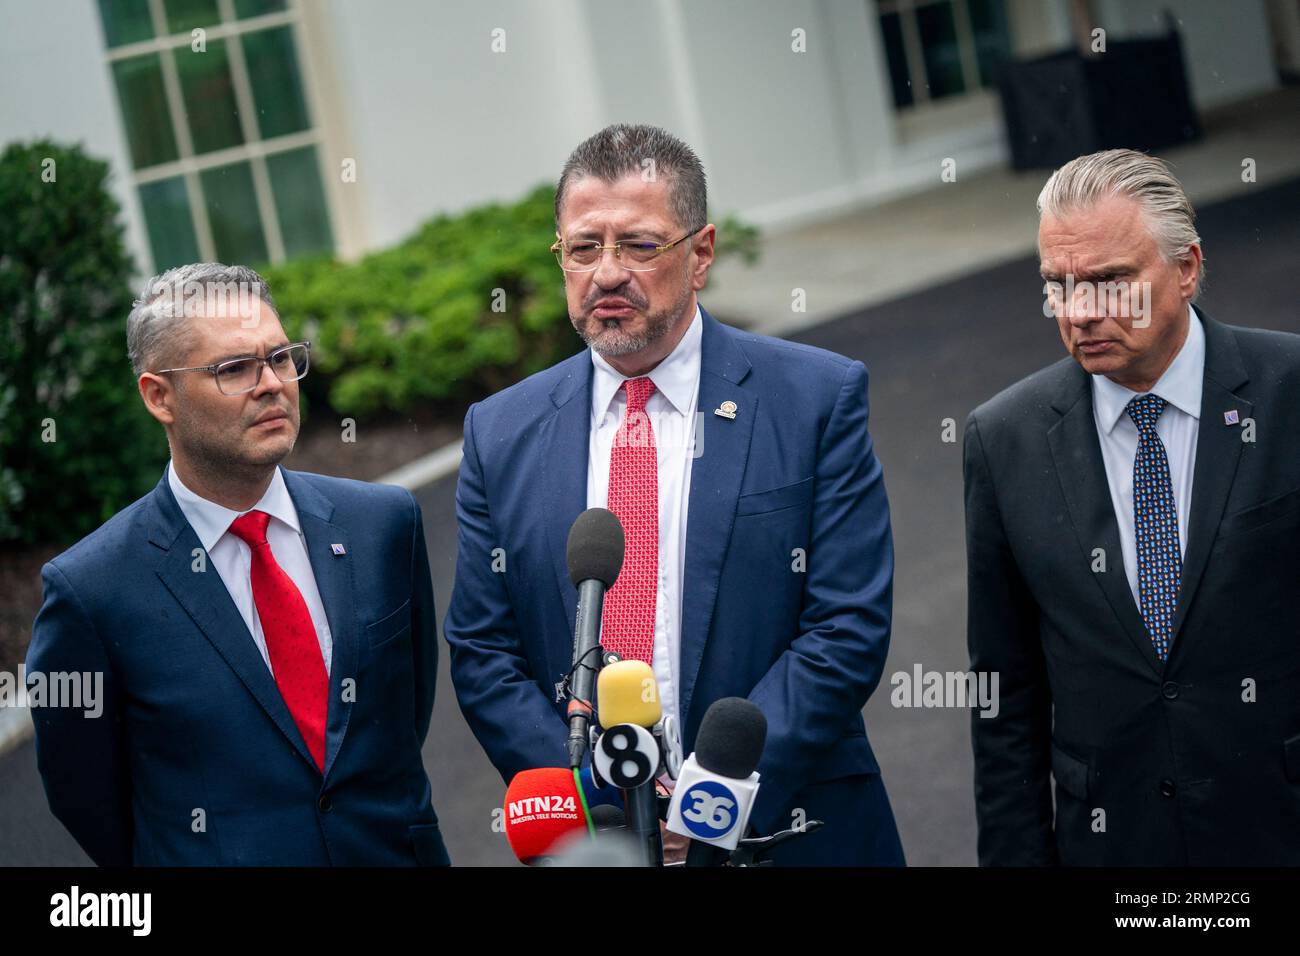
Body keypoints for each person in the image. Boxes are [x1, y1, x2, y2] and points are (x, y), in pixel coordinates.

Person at [444, 124, 904, 865]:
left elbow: (845, 625)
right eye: (584, 248)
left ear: (702, 253)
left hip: (786, 832)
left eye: (639, 244)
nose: (607, 273)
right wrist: (601, 806)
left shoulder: (815, 398)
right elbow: (483, 652)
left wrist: (710, 799)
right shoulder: (500, 433)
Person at [27, 263, 448, 866]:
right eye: (234, 369)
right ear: (159, 396)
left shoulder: (382, 524)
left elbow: (404, 720)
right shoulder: (92, 591)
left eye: (280, 357)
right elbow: (86, 793)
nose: (272, 384)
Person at [965, 148, 1300, 866]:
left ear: (1186, 268)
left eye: (1110, 281)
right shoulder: (1003, 439)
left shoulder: (1290, 391)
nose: (1080, 312)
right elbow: (1003, 695)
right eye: (1058, 285)